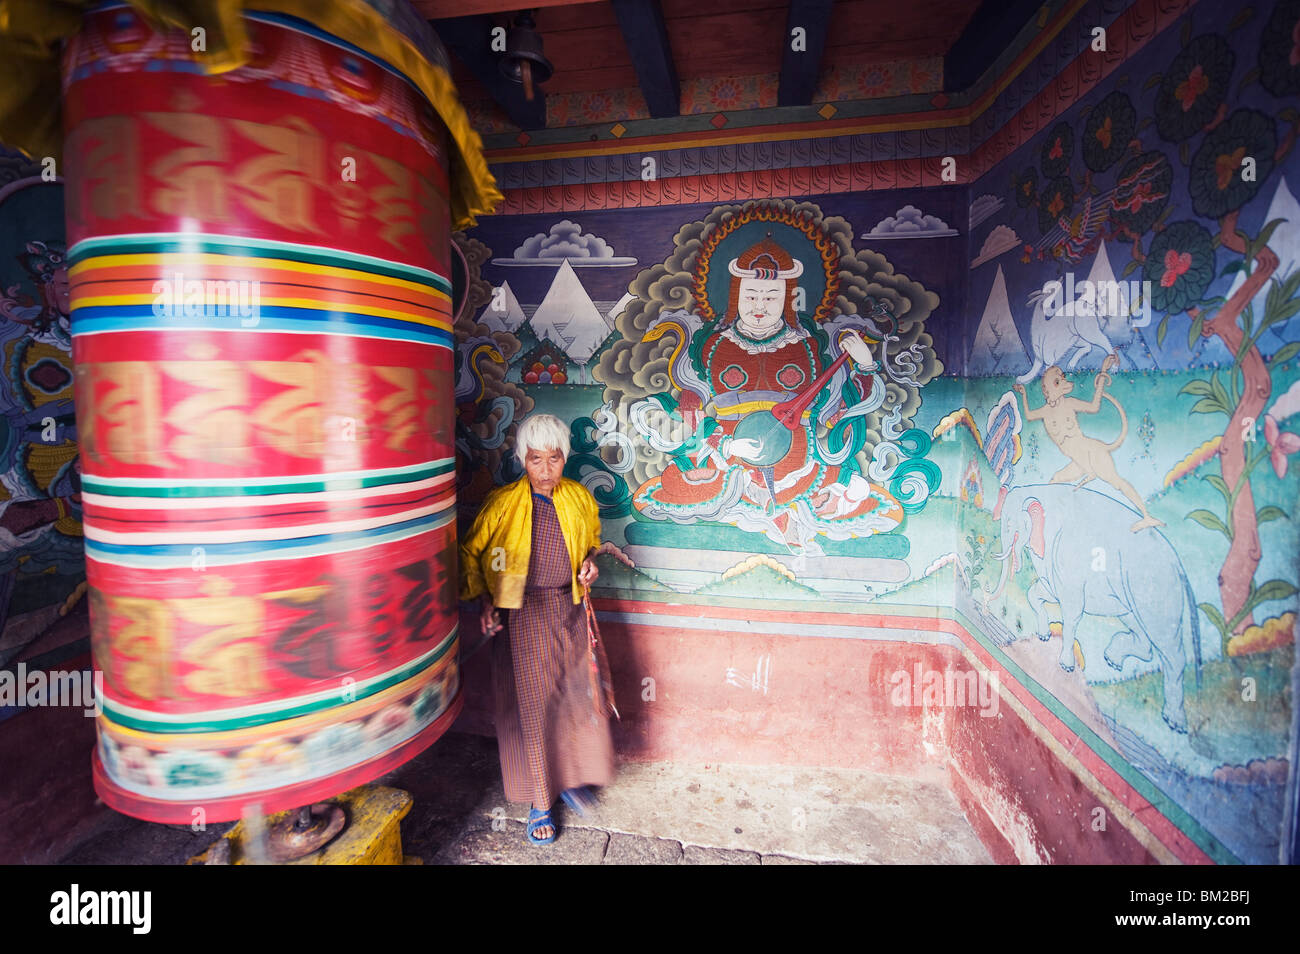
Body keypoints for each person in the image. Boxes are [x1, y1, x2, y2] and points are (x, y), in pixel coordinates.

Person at [458, 412, 615, 844]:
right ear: (522, 460)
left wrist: (589, 566)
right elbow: (473, 555)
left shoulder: (579, 498)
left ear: (565, 458)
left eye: (554, 459)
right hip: (524, 612)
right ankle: (541, 800)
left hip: (570, 608)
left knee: (575, 697)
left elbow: (590, 545)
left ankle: (573, 777)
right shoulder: (504, 503)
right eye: (535, 460)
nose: (546, 470)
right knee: (535, 704)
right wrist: (487, 601)